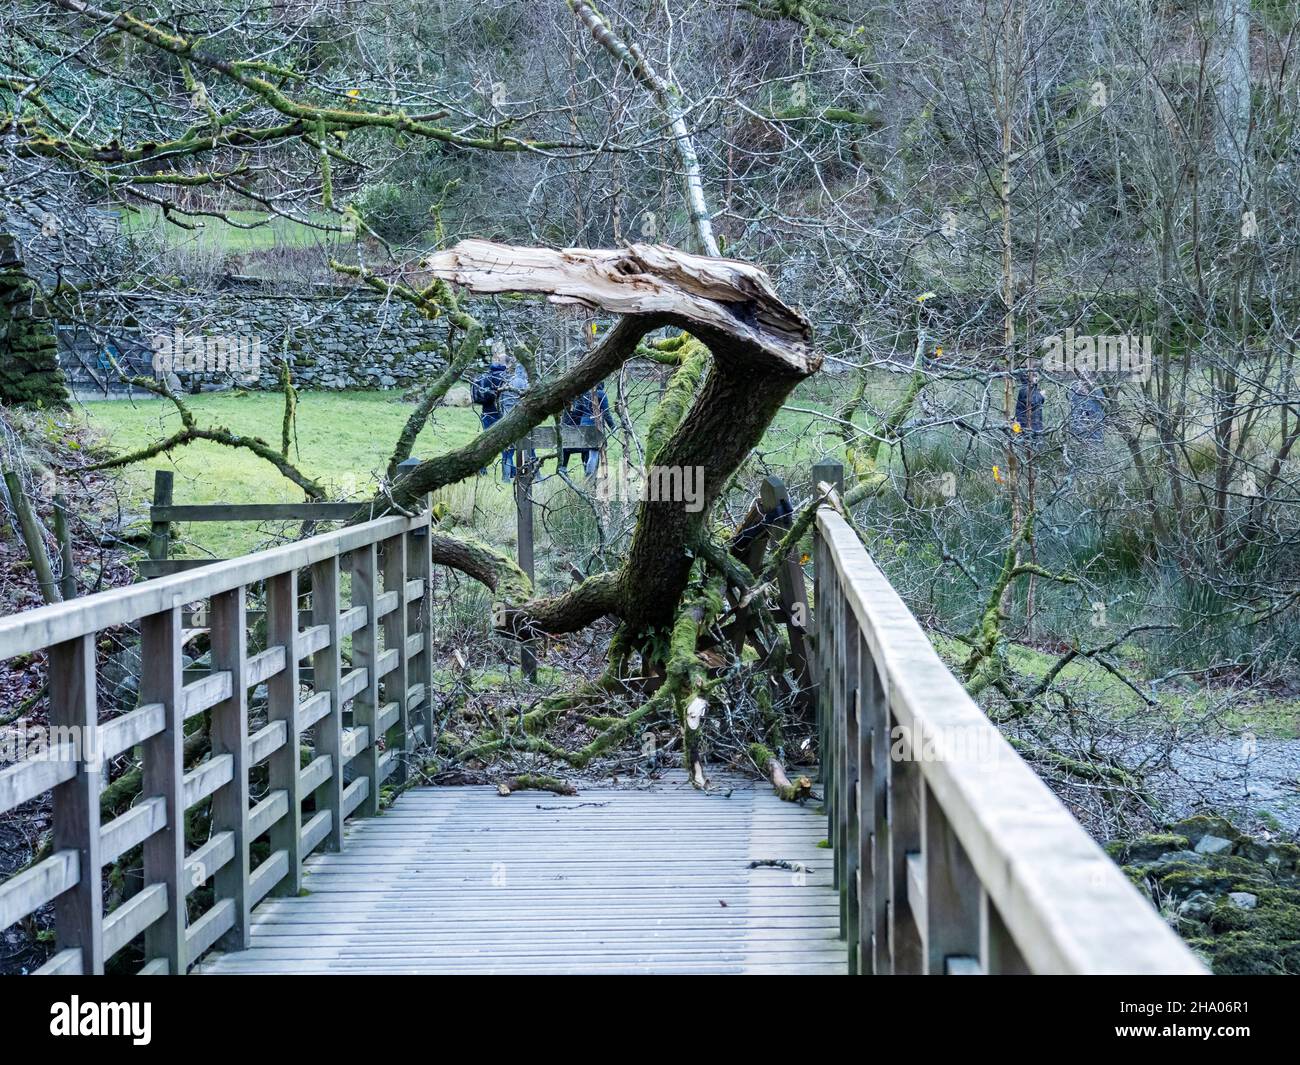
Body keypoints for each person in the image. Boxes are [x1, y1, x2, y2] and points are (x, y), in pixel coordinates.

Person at [562, 381, 615, 477]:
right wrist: (612, 426)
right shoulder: (601, 394)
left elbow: (578, 411)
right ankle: (589, 477)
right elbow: (606, 413)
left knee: (587, 450)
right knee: (593, 453)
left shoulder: (584, 394)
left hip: (583, 425)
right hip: (595, 425)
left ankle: (588, 475)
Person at [470, 354, 509, 476]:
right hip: (501, 414)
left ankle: (482, 470)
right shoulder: (505, 378)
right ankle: (507, 474)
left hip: (486, 413)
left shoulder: (486, 376)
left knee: (486, 442)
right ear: (507, 364)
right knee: (505, 443)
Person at [497, 357, 533, 482]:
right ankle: (535, 475)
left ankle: (505, 478)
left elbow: (500, 401)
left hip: (506, 419)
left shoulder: (507, 382)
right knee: (530, 449)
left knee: (508, 452)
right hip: (520, 421)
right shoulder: (524, 384)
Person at [1015, 368, 1044, 443]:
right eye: (1034, 376)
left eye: (1036, 376)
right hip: (1026, 424)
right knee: (1028, 445)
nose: (1037, 378)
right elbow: (1033, 402)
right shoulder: (1025, 389)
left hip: (1035, 424)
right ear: (1028, 377)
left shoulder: (1033, 389)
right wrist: (1041, 395)